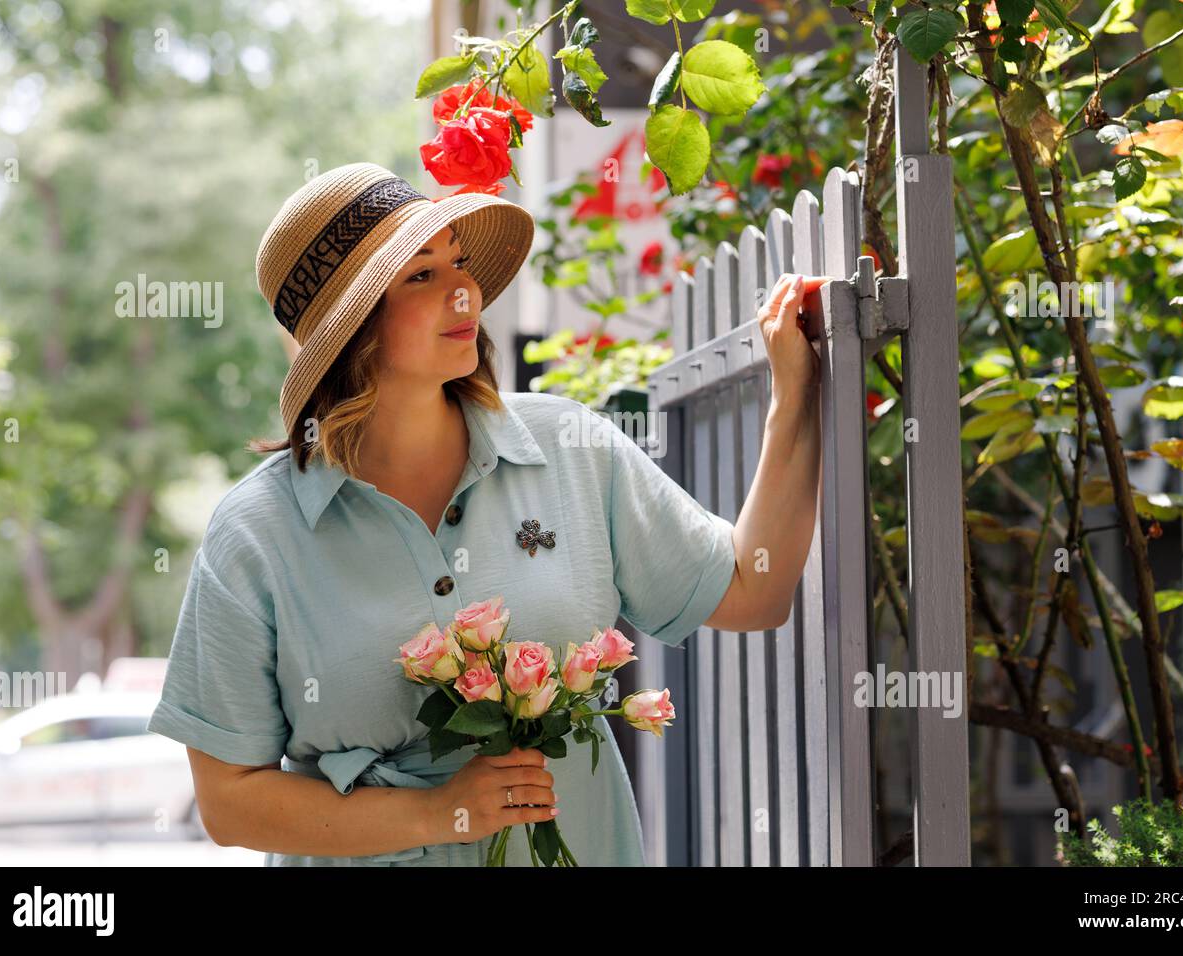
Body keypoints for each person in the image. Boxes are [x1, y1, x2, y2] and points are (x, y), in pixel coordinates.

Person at [146, 162, 822, 865]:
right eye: (420, 276)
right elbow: (227, 800)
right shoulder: (256, 533)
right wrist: (433, 813)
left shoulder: (569, 447)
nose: (464, 291)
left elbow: (753, 588)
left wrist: (793, 396)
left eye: (458, 263)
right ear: (352, 328)